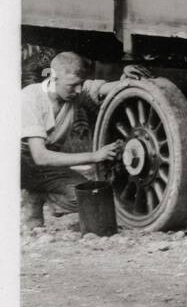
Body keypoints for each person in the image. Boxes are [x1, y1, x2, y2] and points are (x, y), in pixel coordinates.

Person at [20, 52, 130, 229]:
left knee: (89, 195)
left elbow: (104, 89)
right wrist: (94, 156)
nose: (78, 91)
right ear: (52, 77)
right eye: (72, 86)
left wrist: (129, 79)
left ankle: (39, 193)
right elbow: (40, 156)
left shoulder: (73, 92)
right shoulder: (30, 98)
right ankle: (33, 194)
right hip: (17, 165)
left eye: (80, 85)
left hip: (44, 166)